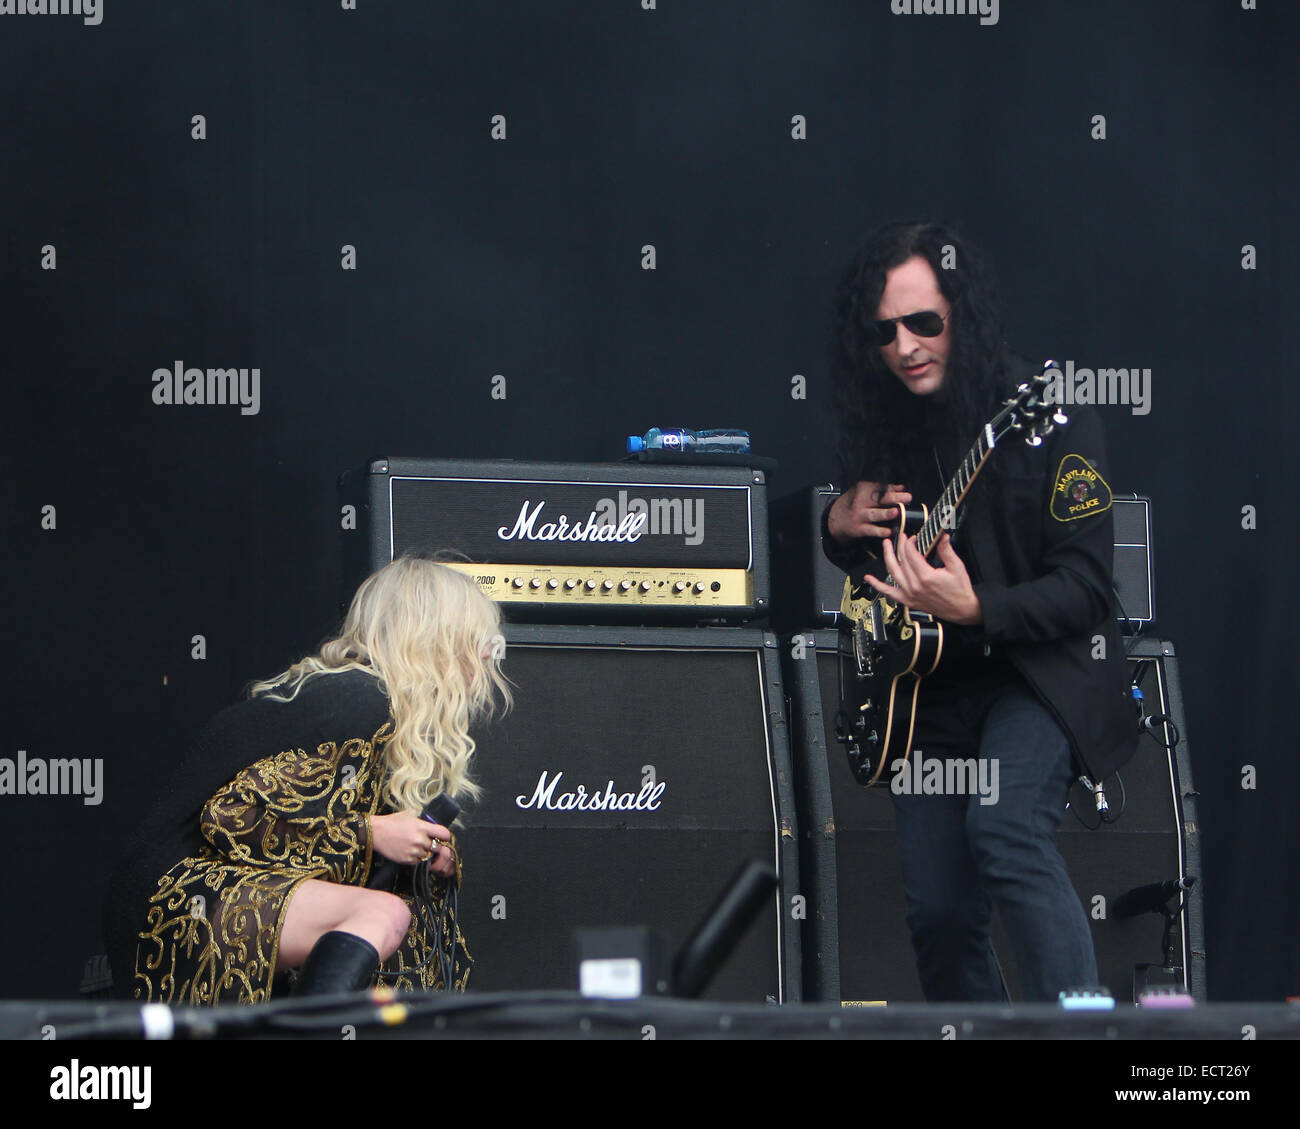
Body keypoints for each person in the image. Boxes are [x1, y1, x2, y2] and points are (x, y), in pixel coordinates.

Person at [823, 220, 1138, 1002]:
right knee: (937, 909)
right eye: (884, 330)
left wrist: (977, 606)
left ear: (964, 313)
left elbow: (1090, 588)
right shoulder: (886, 426)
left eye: (925, 322)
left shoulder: (1050, 415)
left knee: (1003, 830)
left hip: (1037, 678)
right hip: (931, 693)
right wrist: (837, 525)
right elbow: (879, 570)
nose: (905, 346)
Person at [103, 556, 511, 1004]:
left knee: (398, 925)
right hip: (181, 898)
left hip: (206, 891)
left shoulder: (373, 706)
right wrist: (371, 832)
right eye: (480, 640)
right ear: (440, 640)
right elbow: (230, 816)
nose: (489, 656)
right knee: (384, 912)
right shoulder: (361, 703)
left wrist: (420, 851)